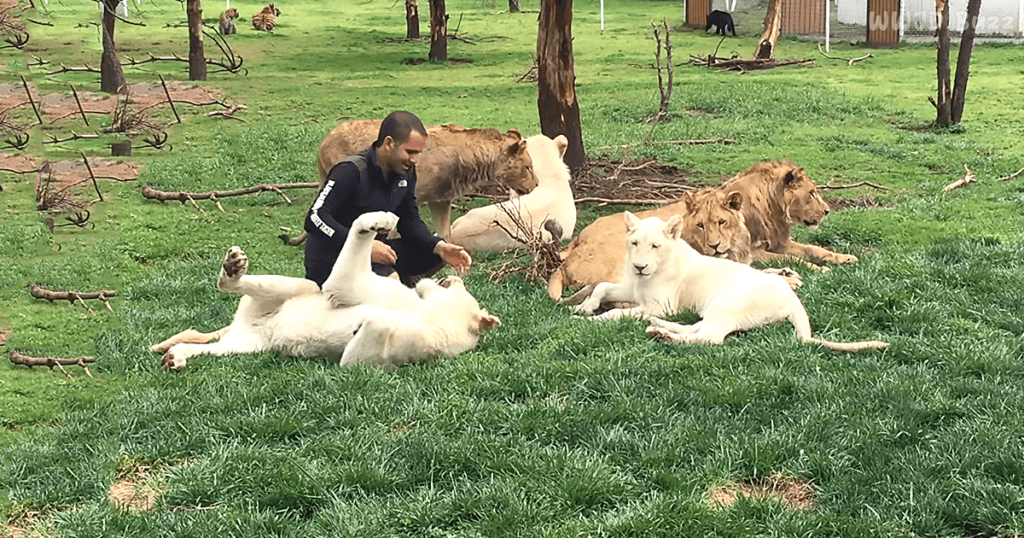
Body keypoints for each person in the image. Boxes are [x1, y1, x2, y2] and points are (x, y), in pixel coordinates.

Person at [304, 111, 472, 288]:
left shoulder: (405, 173)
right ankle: (395, 289)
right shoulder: (351, 171)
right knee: (389, 281)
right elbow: (315, 218)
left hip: (375, 252)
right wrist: (362, 245)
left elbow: (409, 220)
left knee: (436, 254)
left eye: (418, 153)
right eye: (409, 152)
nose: (415, 160)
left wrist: (438, 246)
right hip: (334, 259)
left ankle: (405, 285)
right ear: (389, 143)